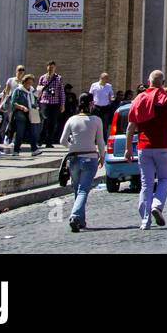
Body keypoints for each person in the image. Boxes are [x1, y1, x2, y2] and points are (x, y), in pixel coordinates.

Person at [124, 70, 167, 230]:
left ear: (148, 81)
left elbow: (130, 127)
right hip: (163, 146)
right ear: (163, 83)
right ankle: (157, 206)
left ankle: (145, 221)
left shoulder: (139, 99)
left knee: (146, 184)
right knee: (164, 179)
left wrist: (128, 148)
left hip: (143, 147)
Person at [59, 93, 106, 232]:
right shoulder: (96, 120)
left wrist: (72, 146)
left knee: (77, 189)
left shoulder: (71, 120)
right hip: (90, 157)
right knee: (83, 189)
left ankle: (81, 220)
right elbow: (100, 141)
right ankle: (75, 216)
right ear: (91, 104)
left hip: (74, 158)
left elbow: (62, 140)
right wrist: (102, 155)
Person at [8, 75, 41, 156]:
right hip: (20, 113)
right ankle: (16, 150)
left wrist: (36, 107)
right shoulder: (18, 90)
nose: (29, 84)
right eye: (28, 82)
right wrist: (21, 107)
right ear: (24, 82)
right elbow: (13, 102)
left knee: (32, 131)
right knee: (20, 132)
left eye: (31, 83)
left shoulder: (32, 91)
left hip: (30, 113)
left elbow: (34, 102)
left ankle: (34, 149)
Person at [36, 61, 64, 148]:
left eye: (53, 67)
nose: (51, 68)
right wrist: (37, 102)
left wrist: (62, 104)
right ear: (47, 67)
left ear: (55, 68)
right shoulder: (42, 78)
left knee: (53, 123)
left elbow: (61, 92)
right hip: (44, 102)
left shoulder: (58, 78)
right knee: (45, 121)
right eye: (49, 67)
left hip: (55, 103)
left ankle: (49, 142)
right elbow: (38, 90)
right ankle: (40, 140)